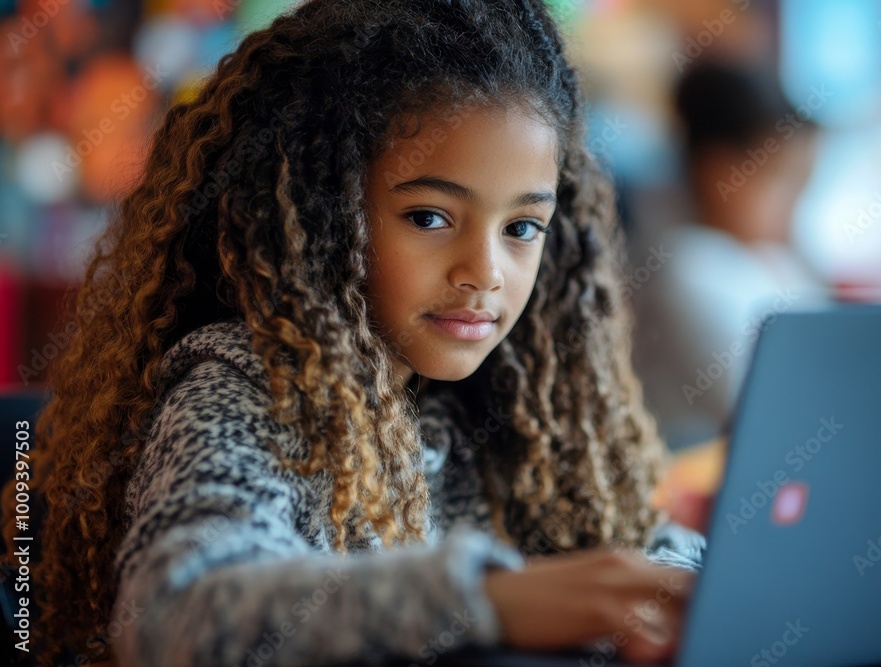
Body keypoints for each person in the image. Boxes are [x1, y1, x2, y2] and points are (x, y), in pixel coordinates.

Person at [0, 1, 707, 665]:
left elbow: (631, 549)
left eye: (521, 228)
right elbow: (176, 615)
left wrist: (675, 586)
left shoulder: (498, 404)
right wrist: (489, 600)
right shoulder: (241, 388)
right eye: (430, 217)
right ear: (319, 214)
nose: (485, 272)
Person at [630, 58, 829, 449]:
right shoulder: (686, 266)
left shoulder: (767, 258)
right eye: (782, 180)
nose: (795, 206)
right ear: (720, 172)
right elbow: (773, 413)